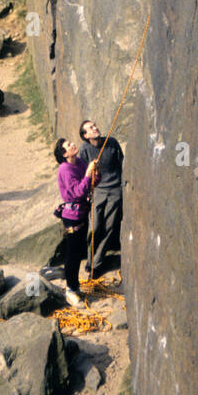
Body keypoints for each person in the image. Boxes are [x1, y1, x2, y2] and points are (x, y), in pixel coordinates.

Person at [54, 137, 98, 306]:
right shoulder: (65, 169)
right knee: (72, 255)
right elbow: (78, 192)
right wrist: (88, 174)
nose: (73, 145)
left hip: (82, 213)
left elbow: (90, 184)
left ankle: (75, 286)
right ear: (65, 154)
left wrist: (95, 174)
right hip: (71, 218)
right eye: (69, 146)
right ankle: (71, 289)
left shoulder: (79, 162)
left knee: (79, 252)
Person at [78, 120, 124, 279]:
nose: (95, 128)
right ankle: (90, 260)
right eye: (91, 128)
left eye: (95, 125)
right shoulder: (84, 150)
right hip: (97, 191)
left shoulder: (111, 143)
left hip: (115, 189)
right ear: (85, 135)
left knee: (109, 228)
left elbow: (122, 164)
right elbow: (82, 174)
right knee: (95, 228)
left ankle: (96, 264)